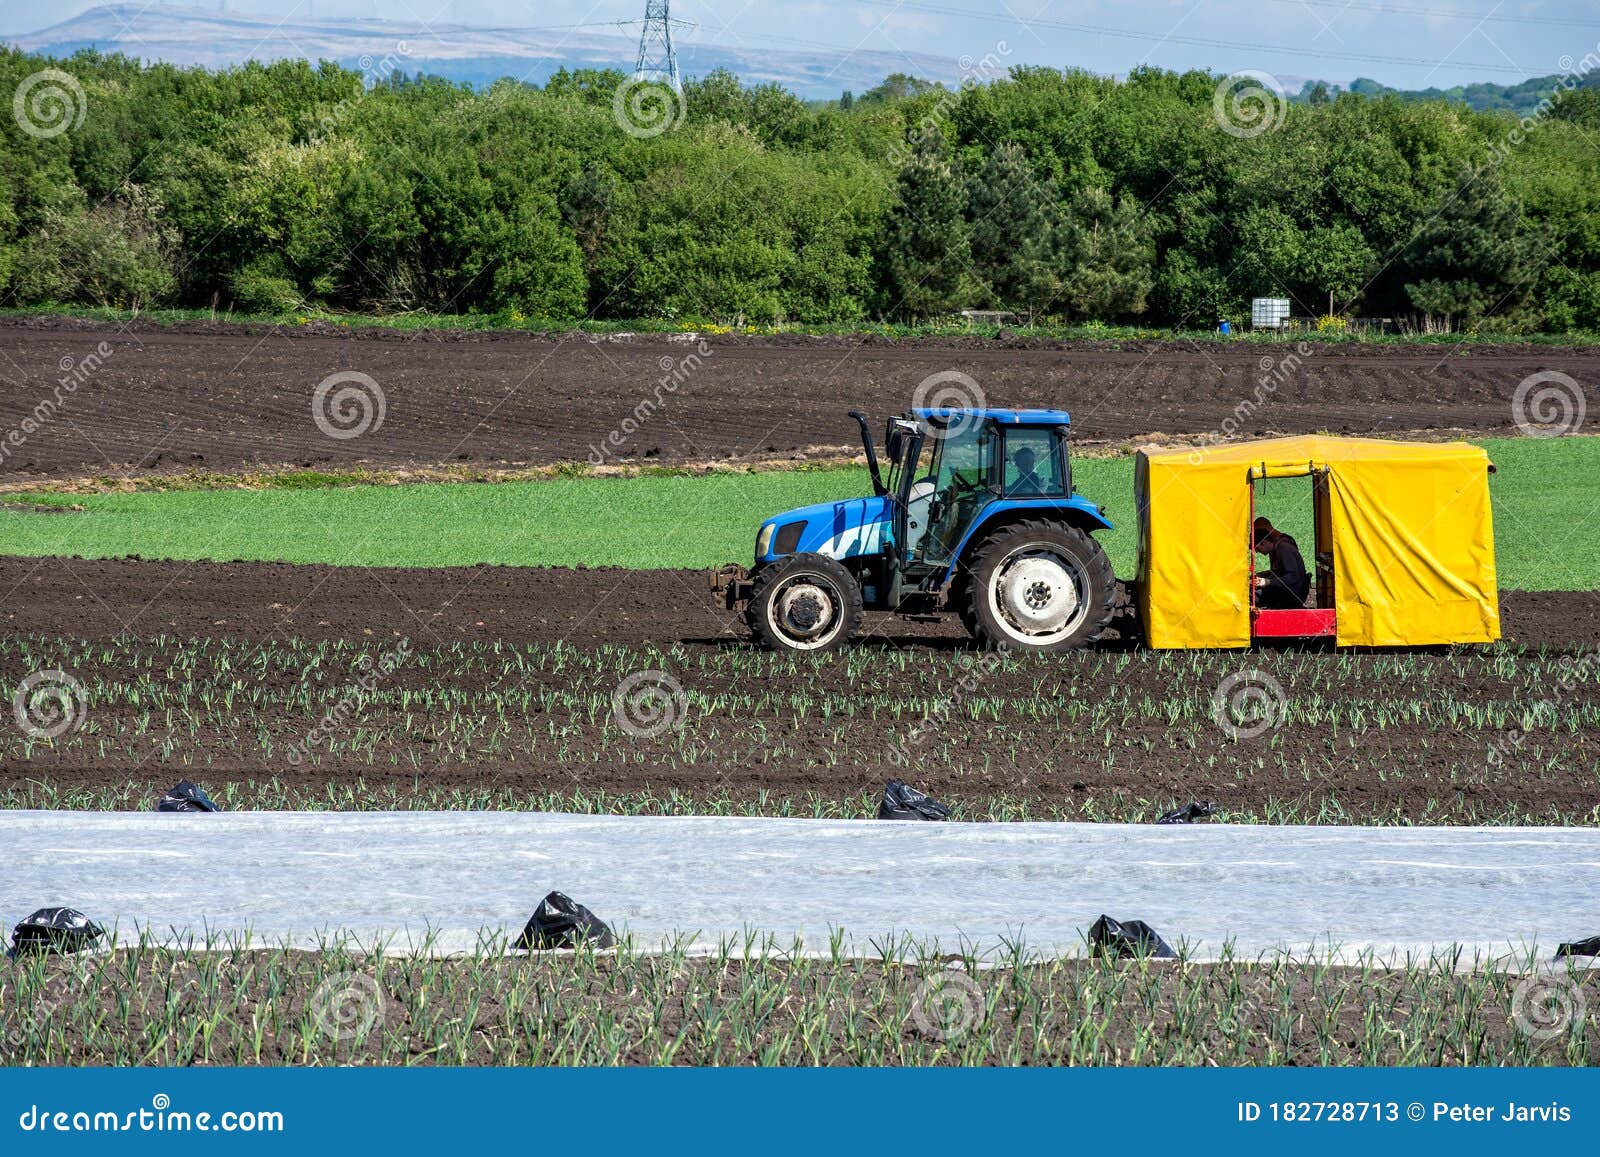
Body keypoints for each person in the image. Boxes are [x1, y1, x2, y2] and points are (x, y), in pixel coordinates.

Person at [1252, 517, 1309, 608]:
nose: (1257, 552)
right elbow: (1279, 571)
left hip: (1292, 592)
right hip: (1286, 588)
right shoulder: (1275, 546)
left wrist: (1268, 582)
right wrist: (1262, 575)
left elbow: (1293, 576)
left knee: (1253, 597)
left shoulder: (1284, 547)